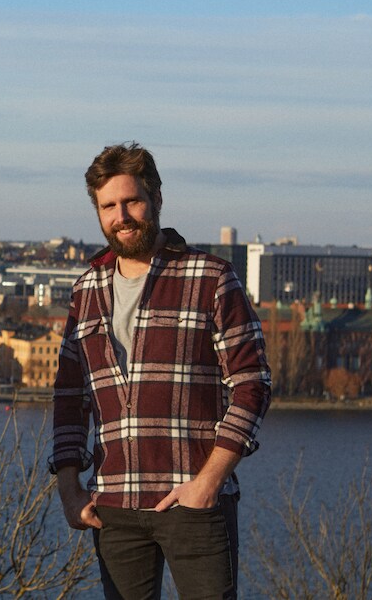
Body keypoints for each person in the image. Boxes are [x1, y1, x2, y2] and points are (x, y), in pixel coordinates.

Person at [50, 143, 271, 599]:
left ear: (156, 200)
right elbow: (70, 398)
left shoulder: (209, 277)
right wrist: (69, 489)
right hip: (114, 506)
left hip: (193, 501)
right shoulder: (86, 290)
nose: (121, 215)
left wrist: (209, 482)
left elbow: (252, 384)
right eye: (108, 206)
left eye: (131, 201)